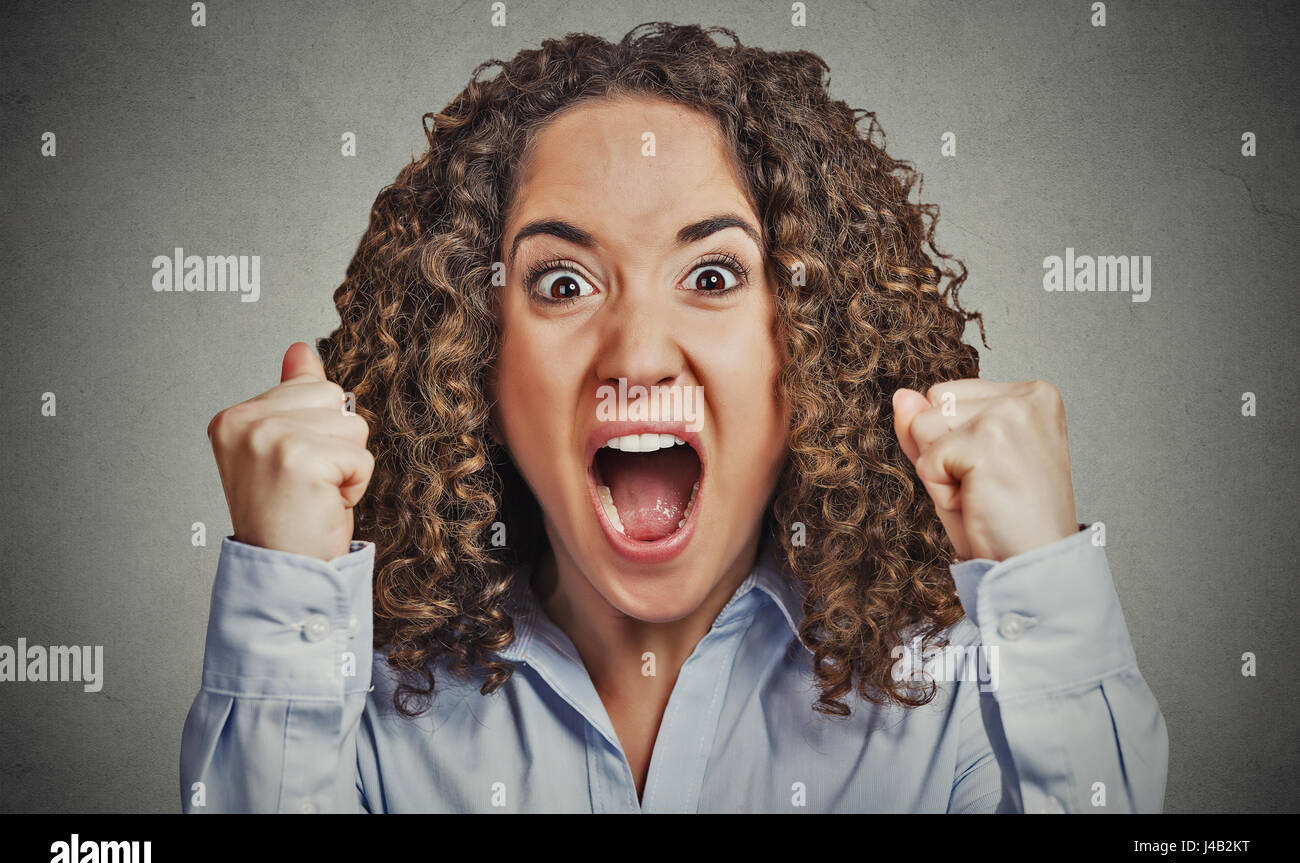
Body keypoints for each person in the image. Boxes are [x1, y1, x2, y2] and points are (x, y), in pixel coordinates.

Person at [181, 22, 1167, 813]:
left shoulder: (959, 694)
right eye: (561, 281)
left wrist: (1045, 593)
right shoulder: (344, 696)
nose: (640, 352)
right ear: (474, 360)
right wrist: (287, 603)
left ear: (809, 345)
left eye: (712, 274)